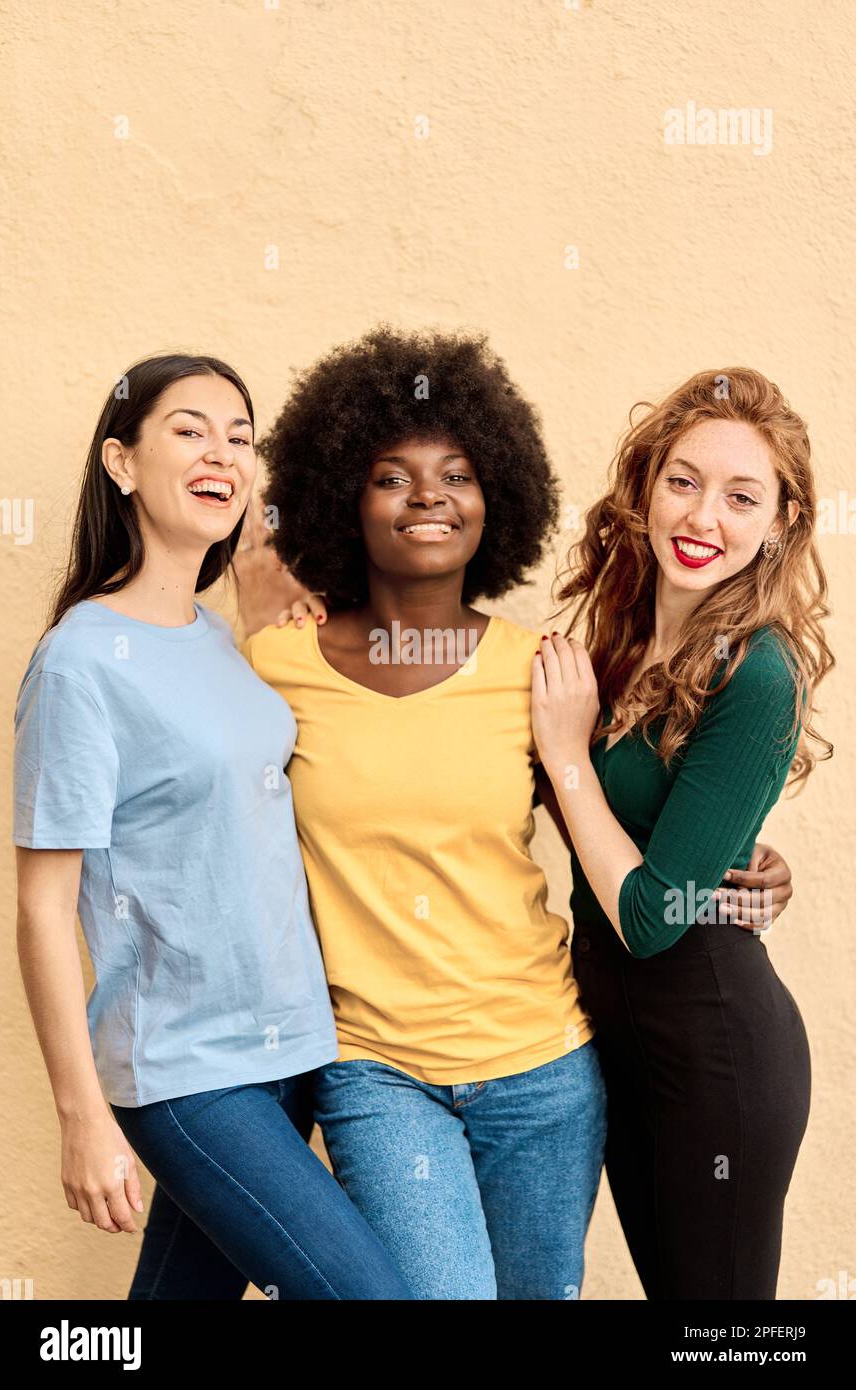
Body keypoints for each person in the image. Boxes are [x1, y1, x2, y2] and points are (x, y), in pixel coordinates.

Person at [135, 328, 794, 1300]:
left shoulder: (543, 670)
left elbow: (625, 821)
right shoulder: (277, 665)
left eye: (456, 473)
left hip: (547, 1071)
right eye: (390, 476)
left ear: (498, 500)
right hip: (375, 1070)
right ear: (343, 500)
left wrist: (742, 873)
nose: (428, 494)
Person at [12, 352, 414, 1300]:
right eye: (189, 429)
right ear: (120, 462)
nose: (222, 454)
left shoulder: (219, 641)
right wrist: (81, 1113)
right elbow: (41, 907)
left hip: (294, 1046)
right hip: (187, 1069)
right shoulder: (80, 664)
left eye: (240, 437)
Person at [531, 366, 832, 1299]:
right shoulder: (619, 640)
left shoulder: (761, 672)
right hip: (618, 1043)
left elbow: (657, 917)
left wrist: (570, 758)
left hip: (716, 1056)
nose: (704, 518)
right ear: (648, 486)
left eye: (742, 497)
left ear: (780, 521)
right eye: (684, 481)